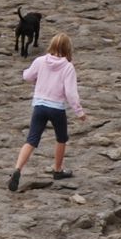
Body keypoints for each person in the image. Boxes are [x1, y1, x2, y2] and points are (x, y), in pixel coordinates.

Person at [10, 33, 84, 192]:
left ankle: (17, 169)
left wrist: (36, 77)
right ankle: (58, 170)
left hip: (39, 106)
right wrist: (79, 112)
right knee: (61, 138)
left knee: (31, 140)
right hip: (56, 108)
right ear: (67, 48)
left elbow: (27, 76)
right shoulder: (68, 67)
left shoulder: (40, 61)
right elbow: (71, 93)